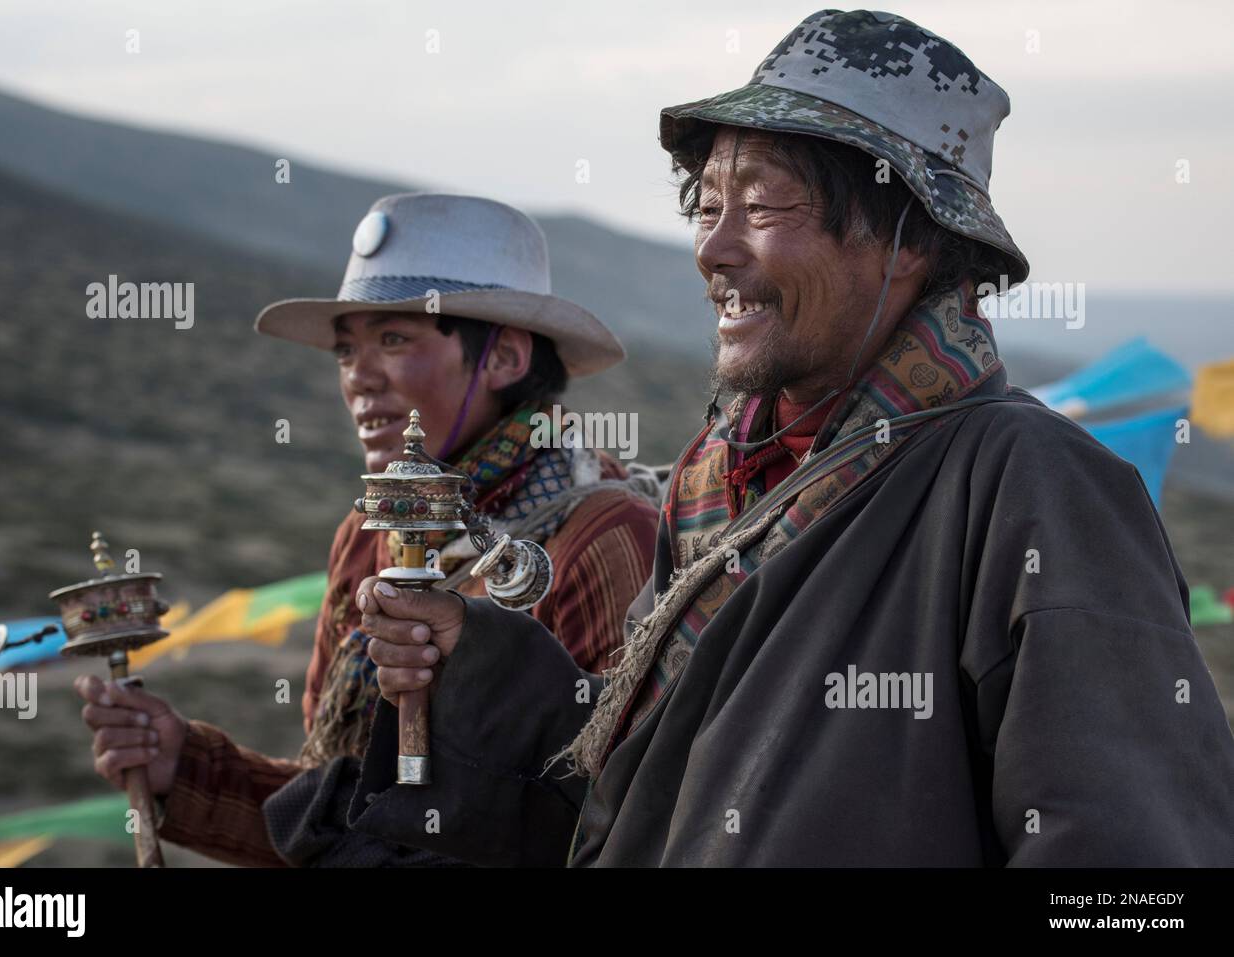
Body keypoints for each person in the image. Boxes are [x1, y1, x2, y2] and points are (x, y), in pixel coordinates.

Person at [345, 12, 1234, 866]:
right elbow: (648, 819)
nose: (714, 249)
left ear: (908, 237)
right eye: (707, 204)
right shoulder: (715, 483)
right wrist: (481, 663)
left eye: (764, 203)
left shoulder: (1032, 485)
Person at [73, 193, 660, 866]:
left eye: (393, 339)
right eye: (346, 348)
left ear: (505, 358)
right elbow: (338, 812)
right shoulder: (367, 533)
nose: (358, 376)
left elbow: (611, 816)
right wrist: (185, 765)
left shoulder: (603, 537)